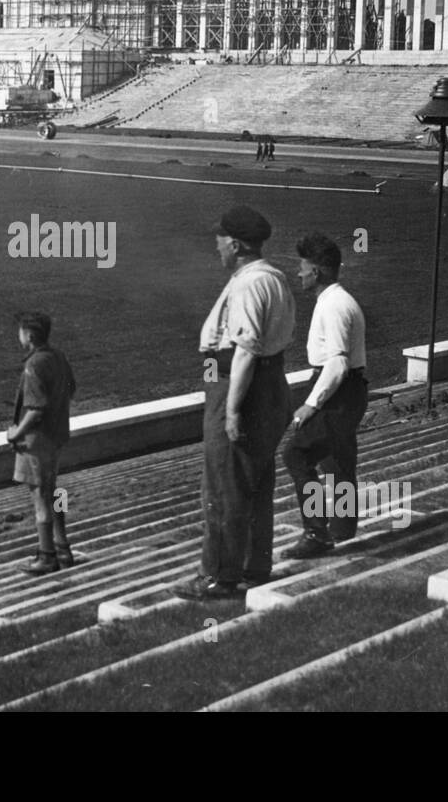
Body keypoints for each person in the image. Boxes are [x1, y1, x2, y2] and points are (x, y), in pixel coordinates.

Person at [175, 205, 296, 600]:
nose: (218, 248)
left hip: (241, 386)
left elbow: (245, 349)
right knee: (256, 482)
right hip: (271, 381)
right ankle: (254, 565)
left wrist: (230, 409)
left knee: (224, 484)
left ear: (238, 244)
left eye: (222, 242)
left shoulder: (248, 284)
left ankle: (219, 575)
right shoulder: (274, 277)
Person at [281, 233, 369, 559]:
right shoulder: (341, 300)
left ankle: (316, 533)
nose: (298, 274)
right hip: (351, 390)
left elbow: (337, 362)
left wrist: (309, 404)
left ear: (316, 272)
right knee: (338, 458)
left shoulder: (332, 306)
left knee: (297, 456)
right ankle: (344, 526)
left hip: (337, 392)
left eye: (302, 268)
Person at [6, 311, 78, 575]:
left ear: (30, 336)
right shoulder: (58, 357)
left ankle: (46, 556)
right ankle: (62, 548)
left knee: (40, 497)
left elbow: (35, 409)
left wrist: (16, 433)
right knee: (52, 491)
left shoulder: (34, 364)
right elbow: (71, 388)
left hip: (37, 441)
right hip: (56, 436)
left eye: (21, 331)